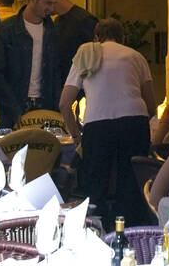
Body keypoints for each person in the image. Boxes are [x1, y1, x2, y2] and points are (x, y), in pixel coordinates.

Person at [59, 18, 157, 226]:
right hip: (134, 120)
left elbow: (64, 104)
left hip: (98, 123)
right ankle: (132, 231)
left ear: (96, 37)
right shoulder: (136, 56)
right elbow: (151, 104)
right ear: (123, 38)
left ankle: (97, 228)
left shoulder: (85, 55)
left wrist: (78, 138)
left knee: (95, 184)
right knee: (131, 183)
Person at [0, 0, 63, 129]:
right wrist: (12, 108)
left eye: (53, 3)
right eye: (47, 3)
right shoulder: (7, 30)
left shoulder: (52, 30)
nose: (51, 8)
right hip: (13, 105)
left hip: (45, 105)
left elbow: (56, 70)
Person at [51, 0, 98, 87]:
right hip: (64, 85)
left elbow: (94, 58)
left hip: (80, 87)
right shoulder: (57, 22)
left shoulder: (85, 21)